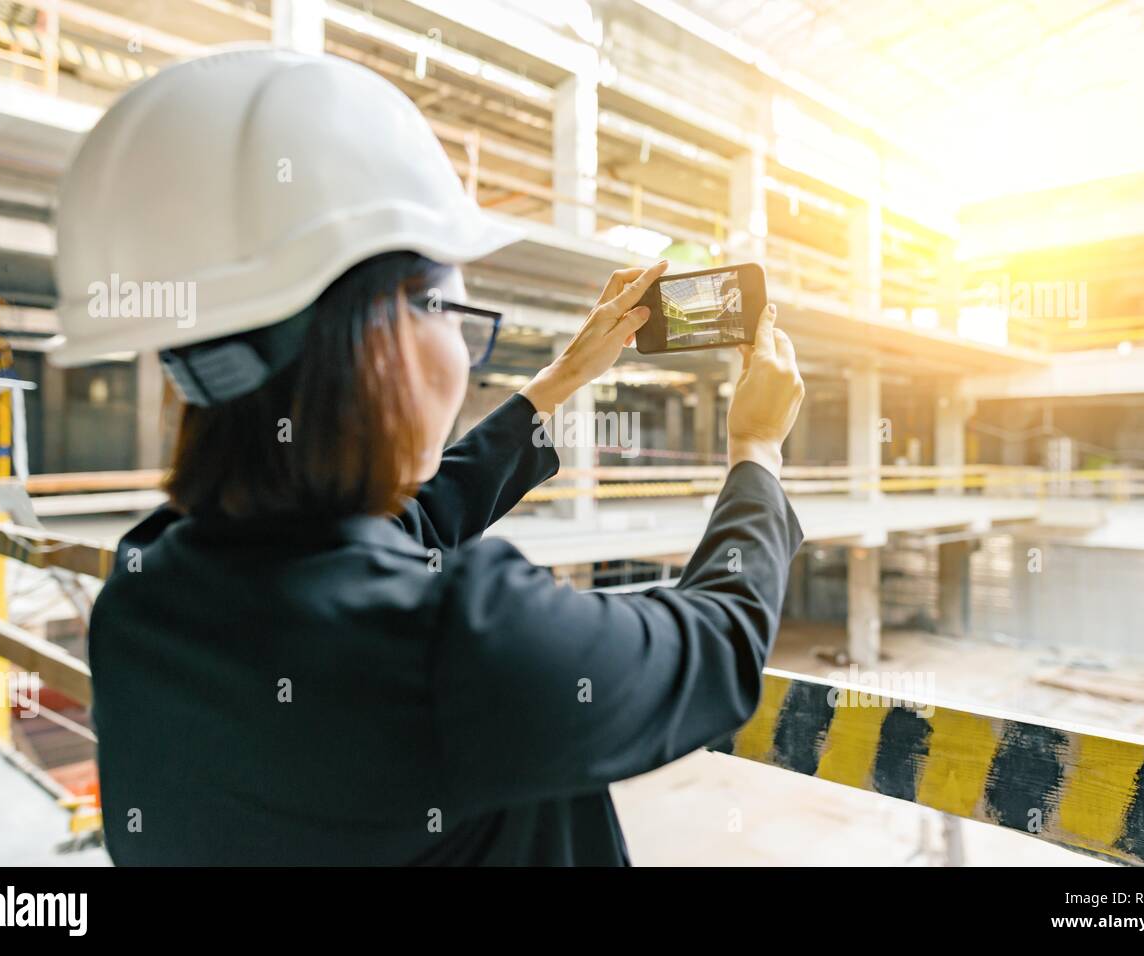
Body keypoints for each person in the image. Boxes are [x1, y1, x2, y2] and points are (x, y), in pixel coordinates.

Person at [51, 48, 805, 865]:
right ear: (380, 339)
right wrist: (756, 451)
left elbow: (384, 542)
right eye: (453, 309)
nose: (465, 351)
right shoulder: (461, 644)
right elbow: (720, 644)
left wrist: (554, 387)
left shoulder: (144, 591)